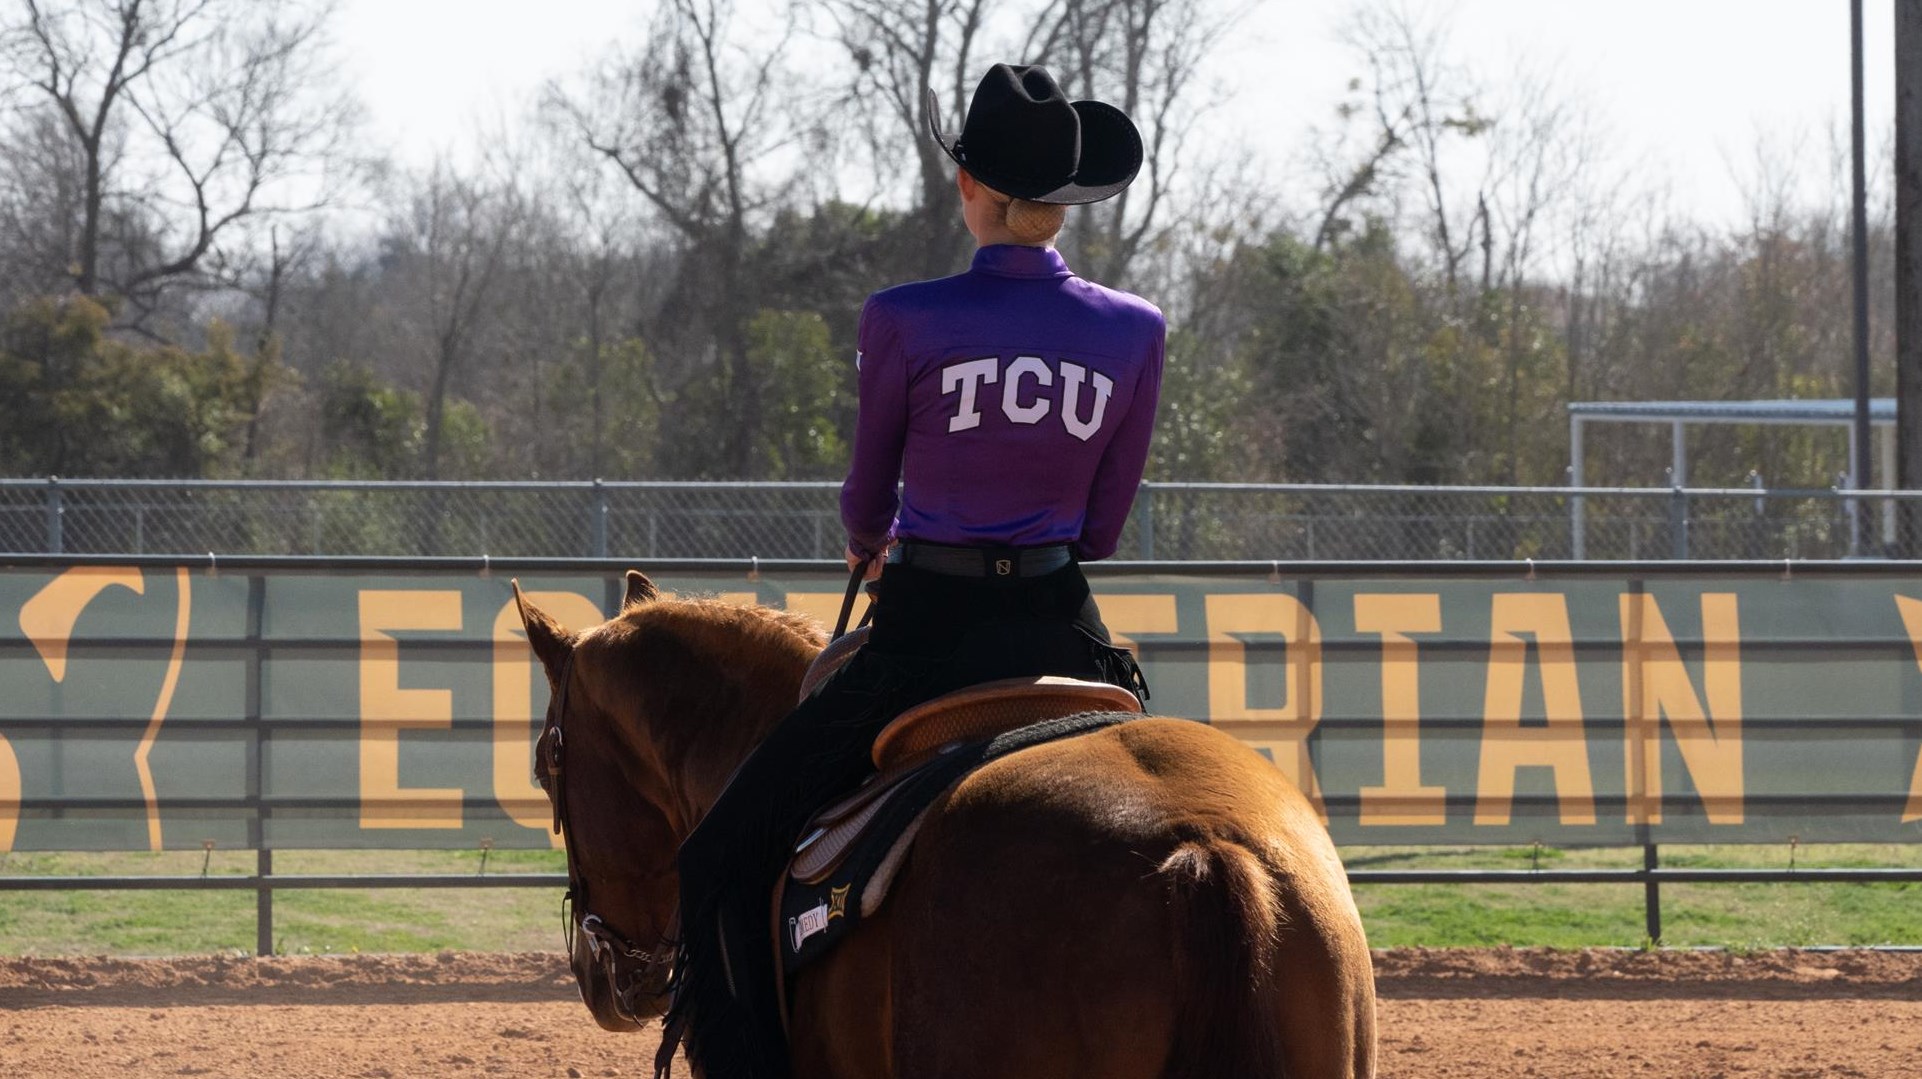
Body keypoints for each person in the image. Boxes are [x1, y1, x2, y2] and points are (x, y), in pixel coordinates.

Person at [661, 62, 1166, 1079]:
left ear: (965, 186)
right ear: (1065, 202)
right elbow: (1102, 527)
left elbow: (864, 497)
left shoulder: (904, 316)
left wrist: (867, 532)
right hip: (1062, 624)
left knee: (718, 858)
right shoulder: (1134, 329)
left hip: (925, 635)